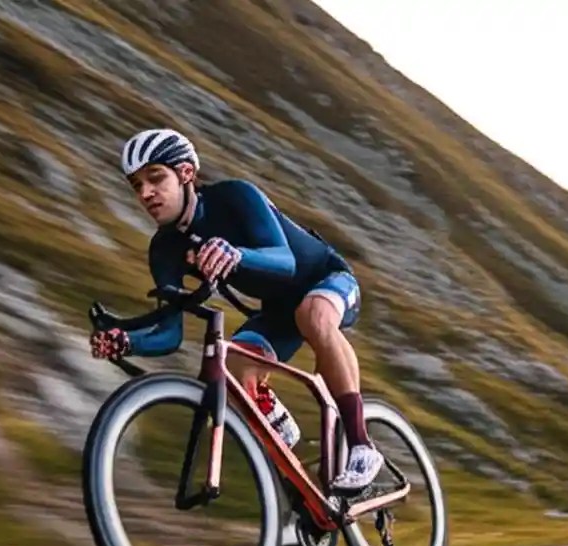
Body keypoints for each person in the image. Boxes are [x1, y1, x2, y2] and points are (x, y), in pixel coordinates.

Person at [89, 128, 383, 494]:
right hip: (278, 309)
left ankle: (361, 447)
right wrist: (126, 342)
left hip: (326, 279)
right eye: (136, 185)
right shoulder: (164, 250)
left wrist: (236, 253)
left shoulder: (234, 196)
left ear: (185, 174)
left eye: (155, 178)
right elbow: (170, 333)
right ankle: (303, 493)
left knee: (313, 315)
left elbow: (285, 261)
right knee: (233, 370)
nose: (145, 193)